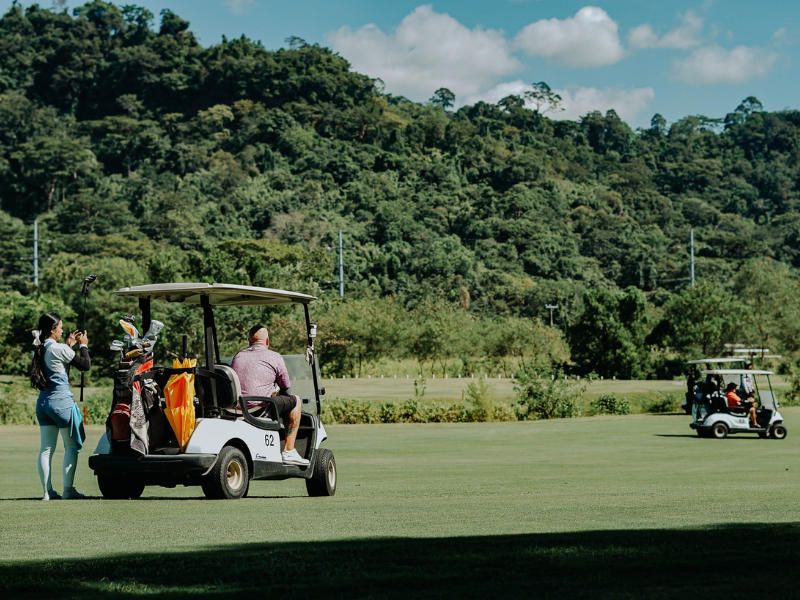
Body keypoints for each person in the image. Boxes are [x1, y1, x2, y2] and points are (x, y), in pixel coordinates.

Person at [30, 312, 91, 500]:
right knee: (70, 447)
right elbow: (85, 365)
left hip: (43, 404)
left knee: (46, 449)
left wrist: (68, 345)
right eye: (60, 327)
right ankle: (67, 490)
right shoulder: (59, 349)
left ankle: (47, 493)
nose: (63, 329)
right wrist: (83, 345)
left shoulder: (39, 348)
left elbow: (56, 362)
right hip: (61, 403)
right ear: (52, 329)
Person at [230, 325, 309, 467]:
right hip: (260, 408)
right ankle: (289, 451)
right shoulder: (274, 357)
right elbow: (286, 389)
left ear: (249, 341)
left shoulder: (238, 356)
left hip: (237, 408)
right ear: (267, 341)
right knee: (295, 400)